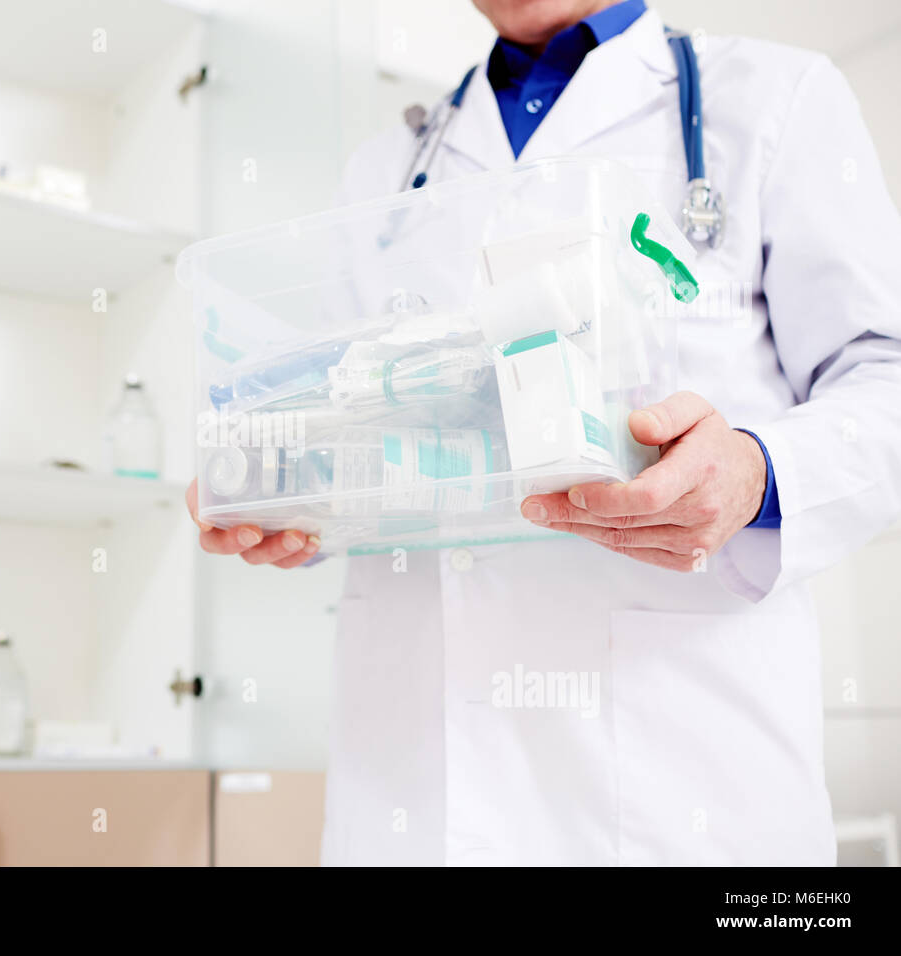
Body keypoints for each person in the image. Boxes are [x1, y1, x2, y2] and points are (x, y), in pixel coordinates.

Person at [186, 0, 901, 865]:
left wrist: (756, 471)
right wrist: (289, 499)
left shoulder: (776, 95)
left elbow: (885, 380)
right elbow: (346, 419)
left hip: (683, 782)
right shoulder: (384, 171)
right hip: (415, 785)